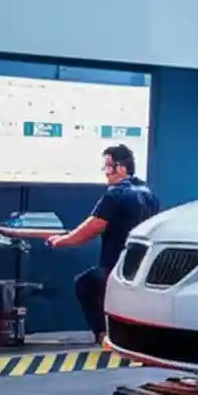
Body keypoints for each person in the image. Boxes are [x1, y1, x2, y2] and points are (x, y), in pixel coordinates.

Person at [47, 144, 160, 345]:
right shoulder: (148, 193)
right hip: (143, 269)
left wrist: (60, 241)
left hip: (117, 269)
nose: (105, 173)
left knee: (86, 283)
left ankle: (104, 334)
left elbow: (90, 229)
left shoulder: (115, 194)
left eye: (108, 167)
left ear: (122, 168)